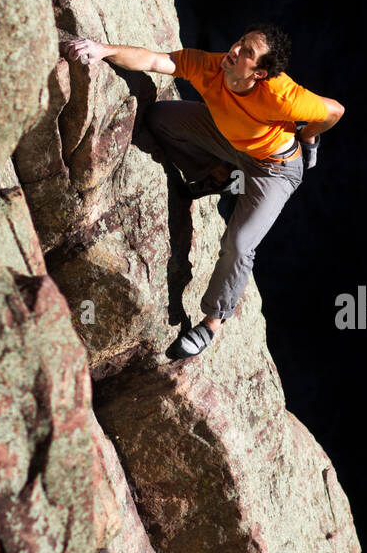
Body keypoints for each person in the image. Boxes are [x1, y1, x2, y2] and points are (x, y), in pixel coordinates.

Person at [61, 24, 344, 357]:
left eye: (247, 53)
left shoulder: (281, 95)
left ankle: (212, 323)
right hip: (230, 140)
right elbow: (155, 60)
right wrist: (104, 50)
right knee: (161, 118)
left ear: (260, 73)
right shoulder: (212, 66)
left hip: (275, 169)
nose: (234, 50)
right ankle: (217, 175)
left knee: (239, 244)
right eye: (240, 41)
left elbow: (335, 110)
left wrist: (309, 139)